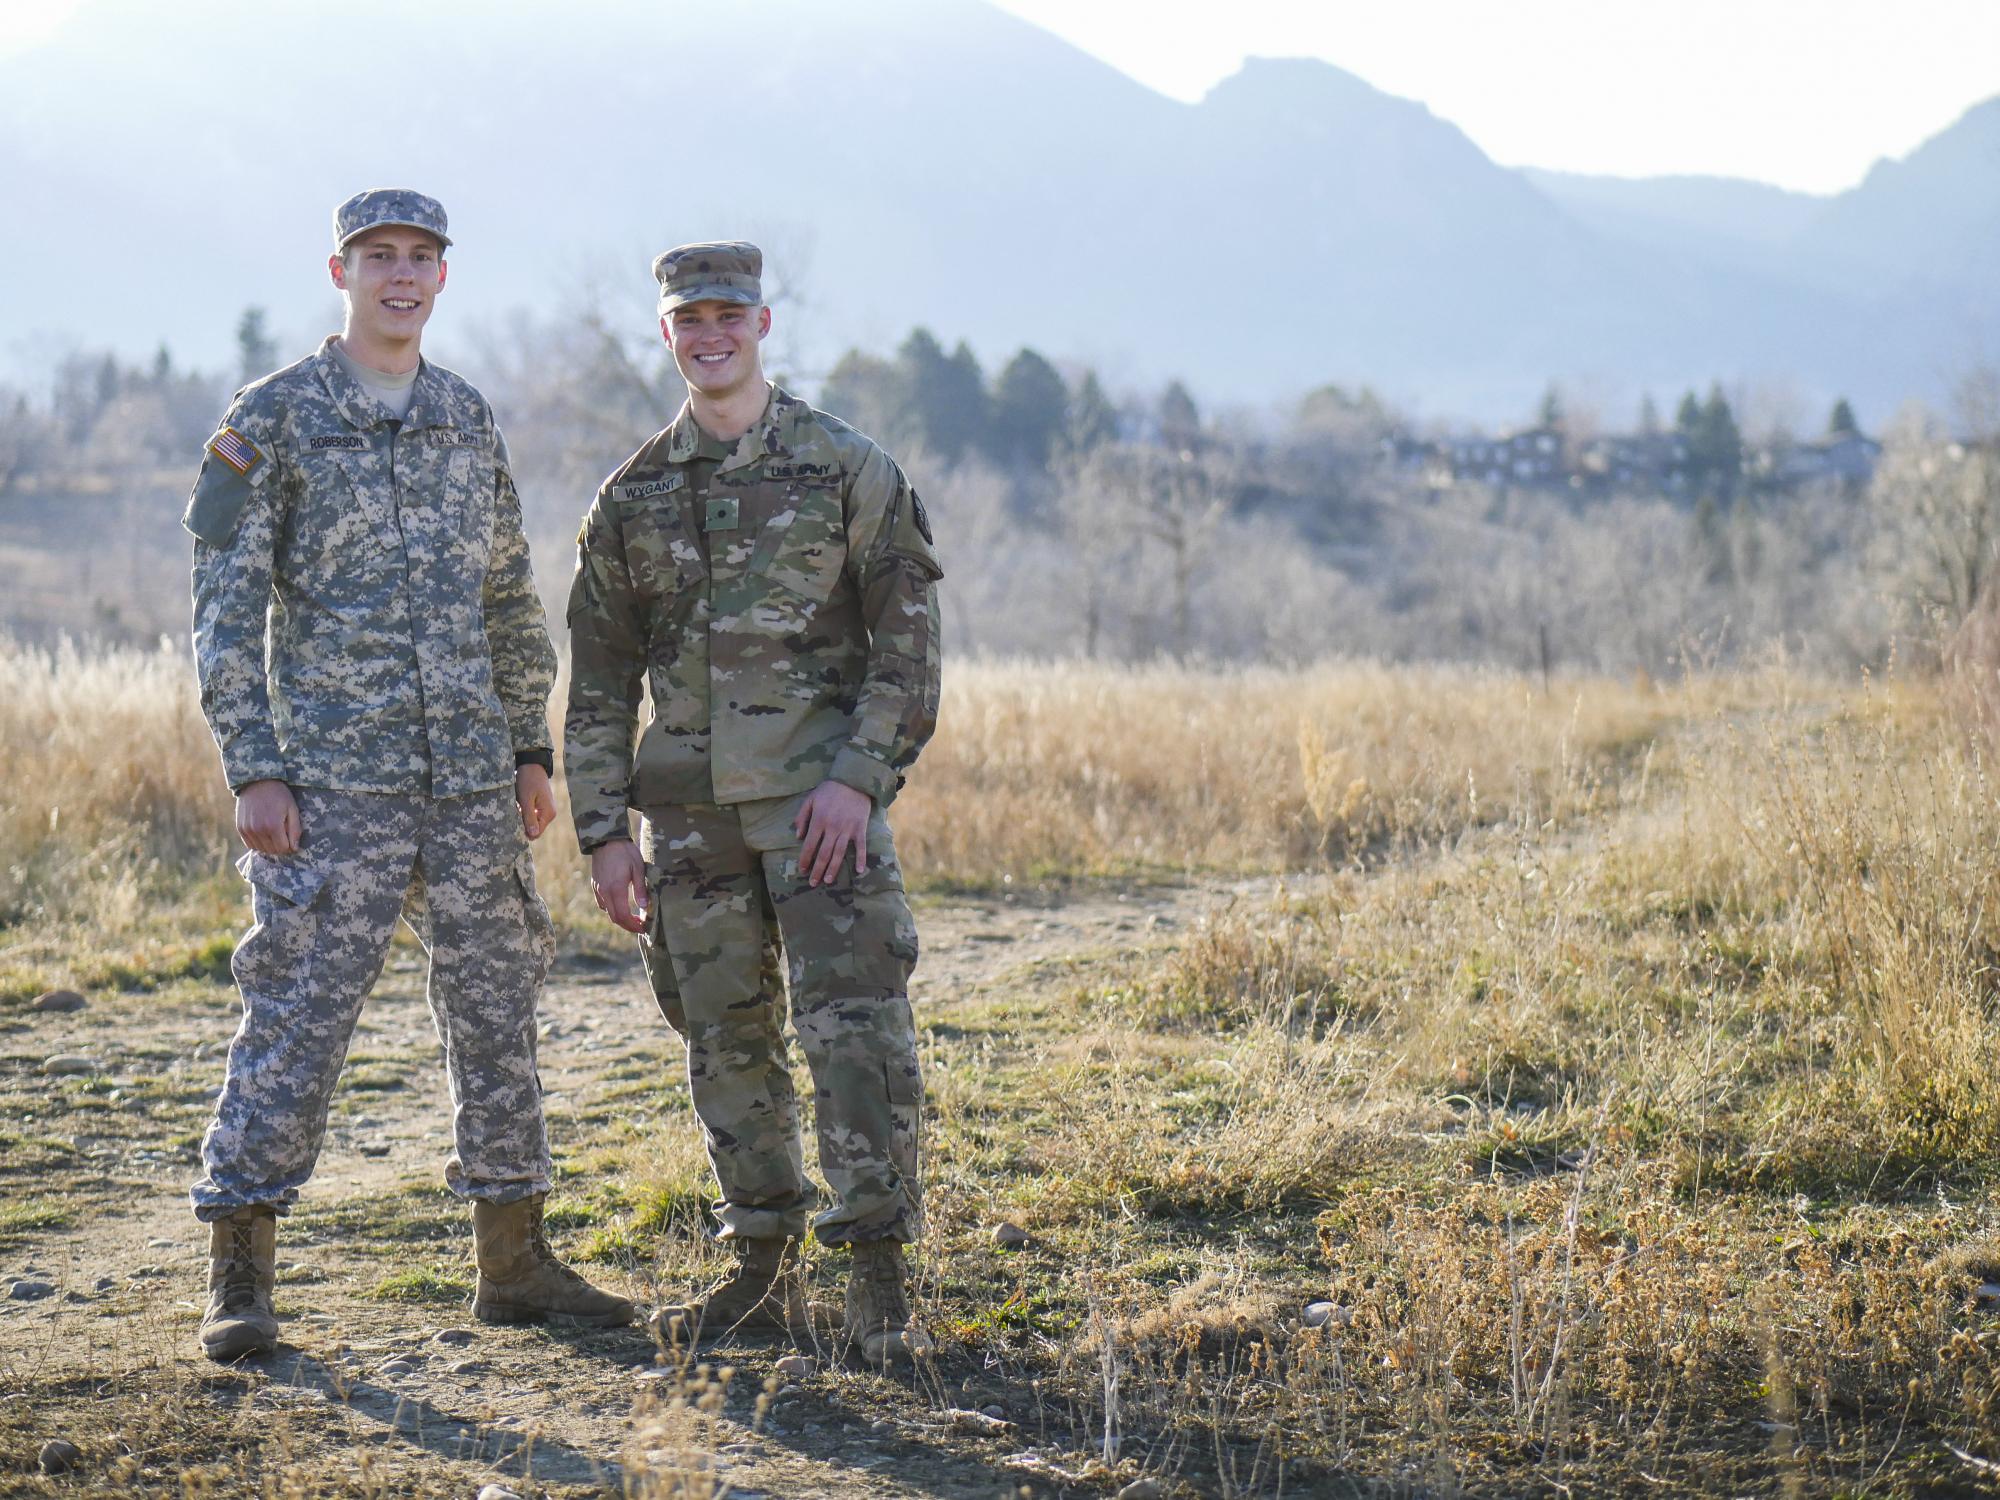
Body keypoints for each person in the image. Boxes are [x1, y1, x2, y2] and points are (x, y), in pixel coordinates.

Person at [183, 188, 631, 1362]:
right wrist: (255, 767)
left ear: (443, 276)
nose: (400, 276)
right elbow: (224, 615)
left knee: (498, 1011)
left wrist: (527, 749)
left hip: (471, 783)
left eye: (420, 258)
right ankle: (241, 1270)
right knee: (296, 1018)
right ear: (339, 272)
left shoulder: (460, 417)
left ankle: (514, 1261)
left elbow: (502, 594)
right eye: (378, 256)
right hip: (335, 785)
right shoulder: (270, 419)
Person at [564, 241, 943, 1362]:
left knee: (854, 1035)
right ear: (667, 333)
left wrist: (855, 782)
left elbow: (907, 655)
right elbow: (595, 682)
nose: (708, 333)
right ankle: (762, 1272)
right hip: (684, 822)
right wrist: (601, 834)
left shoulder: (844, 469)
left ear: (763, 323)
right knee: (722, 1041)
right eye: (688, 318)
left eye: (727, 313)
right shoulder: (631, 497)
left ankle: (876, 1282)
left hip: (818, 808)